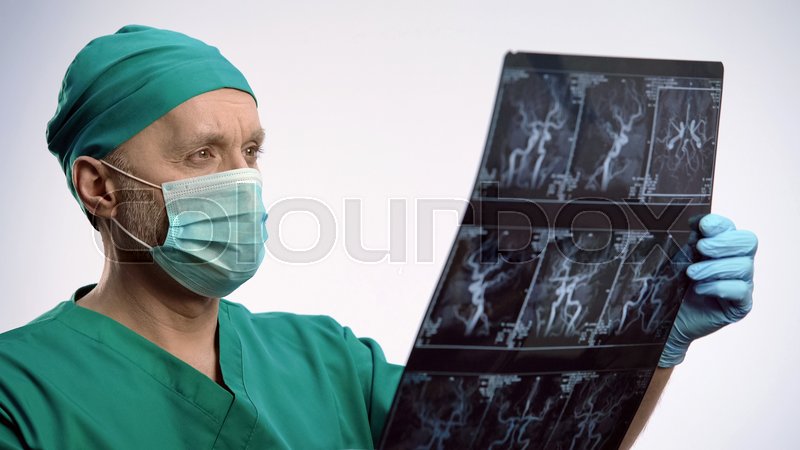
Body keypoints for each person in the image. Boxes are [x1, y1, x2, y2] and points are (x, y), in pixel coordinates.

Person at [0, 25, 757, 450]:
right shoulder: (20, 392)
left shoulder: (326, 359)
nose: (242, 181)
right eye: (203, 155)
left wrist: (646, 338)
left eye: (251, 152)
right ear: (99, 187)